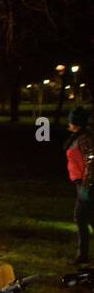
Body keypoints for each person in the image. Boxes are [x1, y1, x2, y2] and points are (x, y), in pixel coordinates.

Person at [65, 107, 94, 265]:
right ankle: (82, 254)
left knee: (81, 217)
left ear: (76, 123)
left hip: (87, 185)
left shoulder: (85, 139)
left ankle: (82, 255)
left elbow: (91, 163)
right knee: (87, 218)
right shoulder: (78, 137)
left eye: (70, 120)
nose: (68, 123)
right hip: (82, 183)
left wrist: (86, 186)